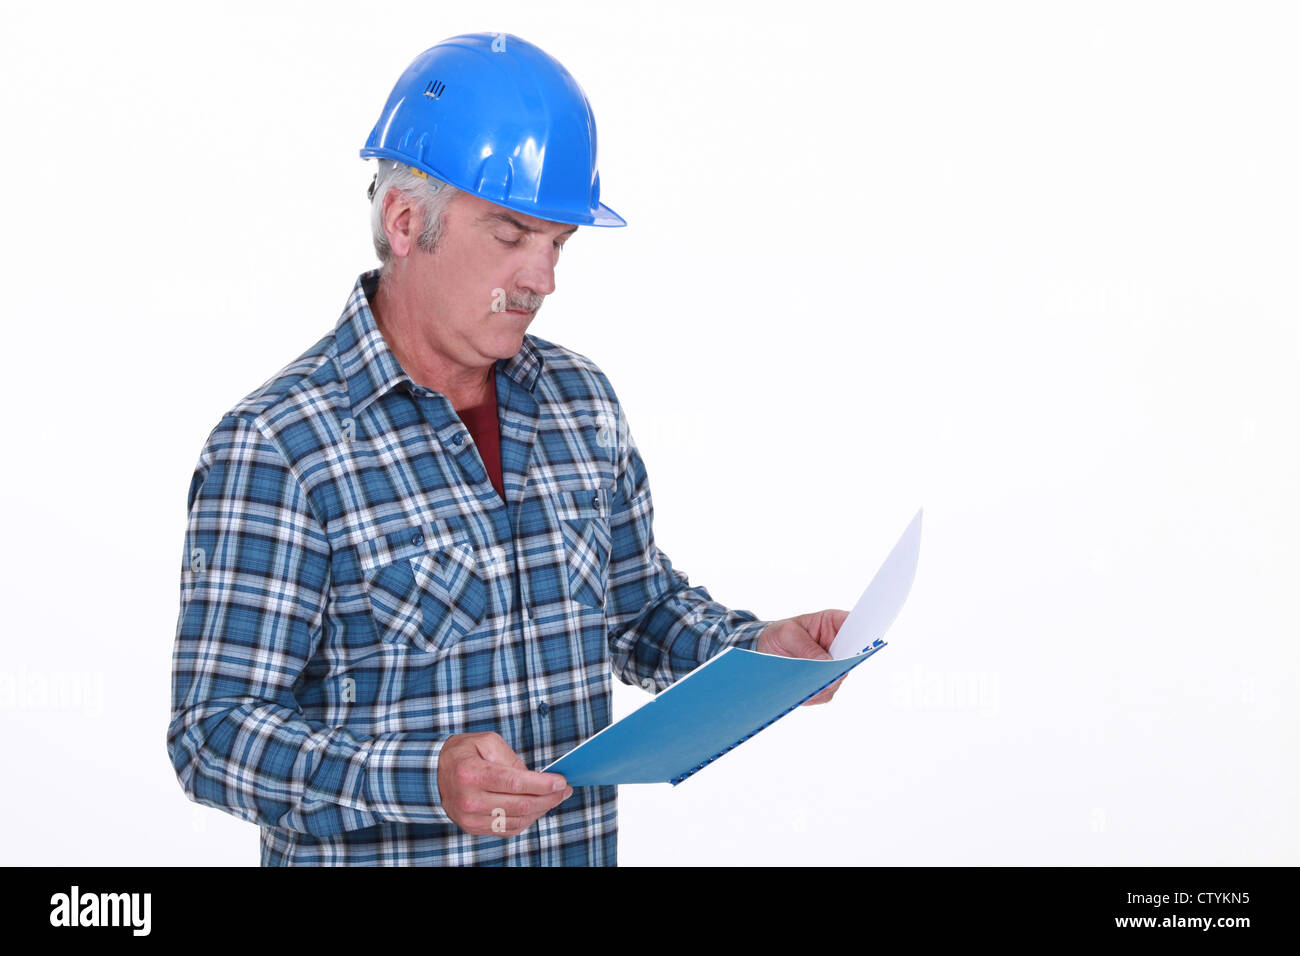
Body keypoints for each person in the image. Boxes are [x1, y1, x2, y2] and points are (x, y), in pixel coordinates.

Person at [167, 31, 848, 866]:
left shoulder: (580, 404)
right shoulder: (281, 448)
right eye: (512, 236)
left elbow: (636, 612)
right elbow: (213, 735)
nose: (542, 279)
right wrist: (421, 777)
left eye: (559, 243)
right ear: (407, 221)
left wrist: (756, 654)